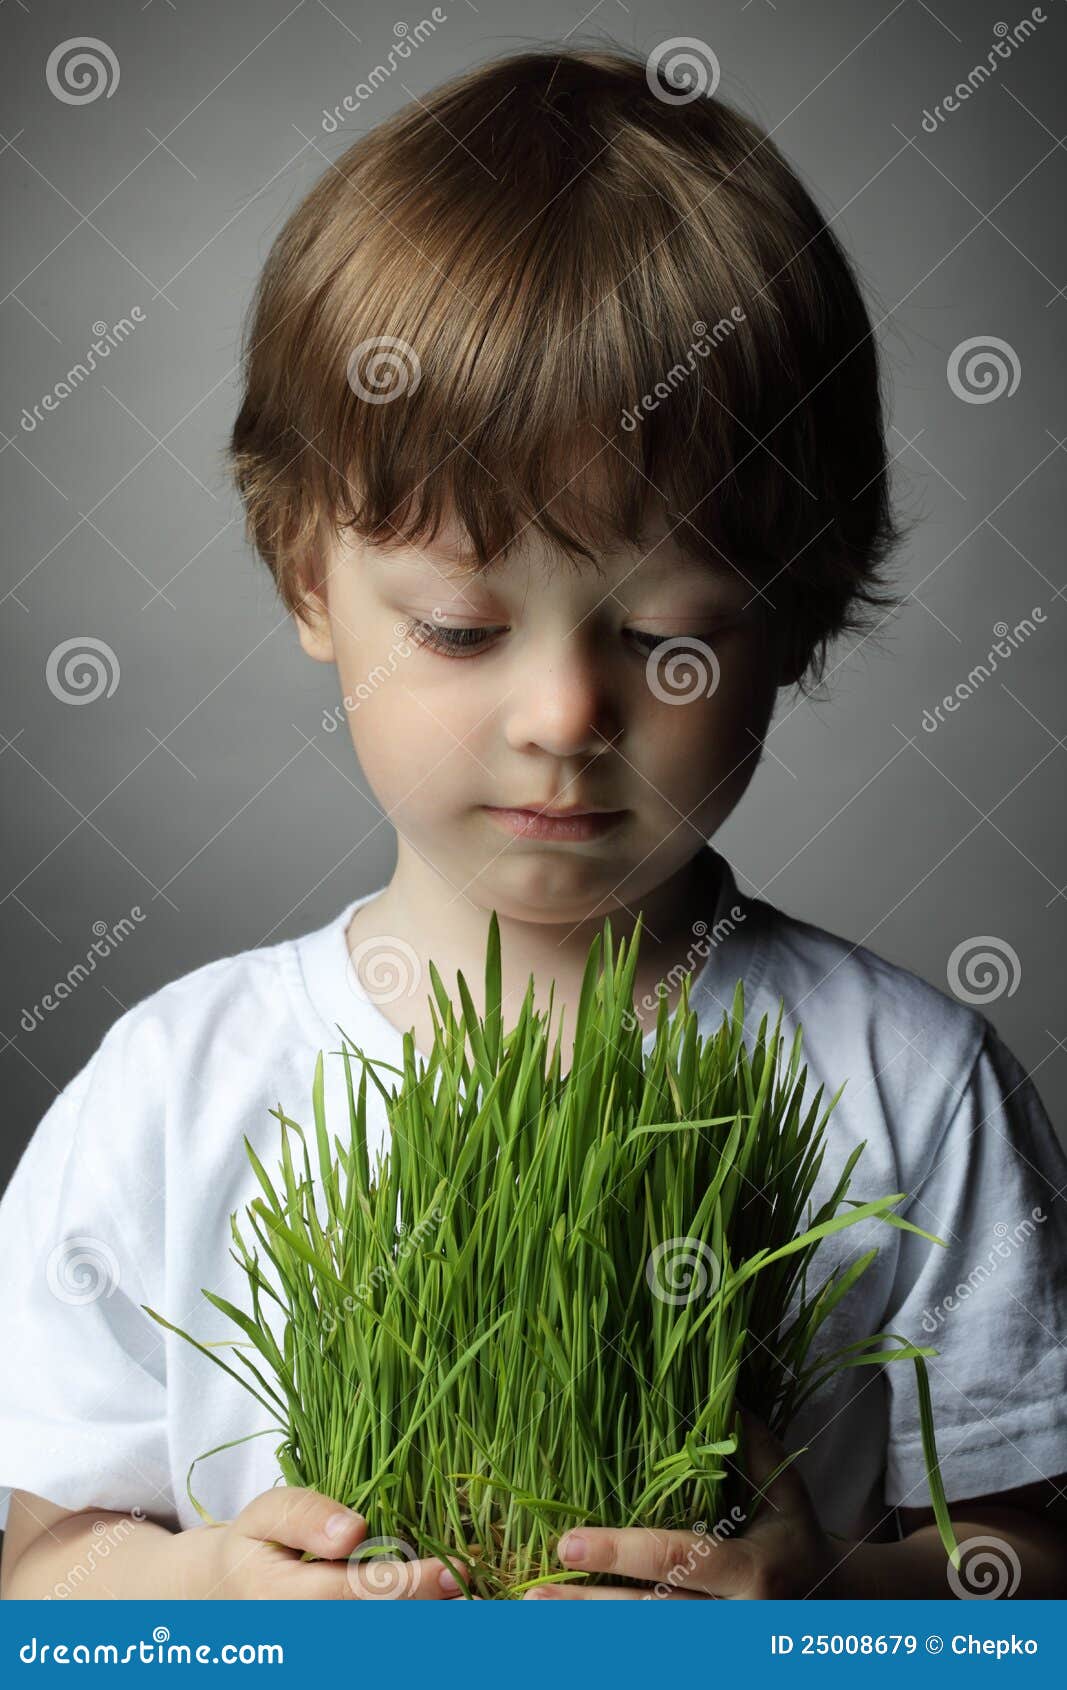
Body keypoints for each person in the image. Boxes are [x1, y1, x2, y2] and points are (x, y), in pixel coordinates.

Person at [2, 44, 1065, 1602]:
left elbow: (1035, 1564)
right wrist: (209, 1589)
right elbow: (38, 1578)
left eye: (668, 634)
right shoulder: (171, 1090)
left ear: (799, 614)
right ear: (309, 580)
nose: (566, 716)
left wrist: (822, 1603)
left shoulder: (913, 1082)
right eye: (457, 626)